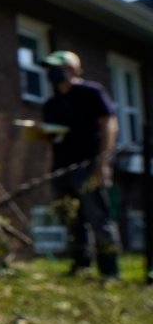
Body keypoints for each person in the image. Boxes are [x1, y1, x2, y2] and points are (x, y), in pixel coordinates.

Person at [38, 50, 120, 279]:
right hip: (62, 167)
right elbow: (53, 137)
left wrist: (103, 163)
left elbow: (109, 125)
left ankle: (109, 270)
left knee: (98, 217)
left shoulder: (91, 93)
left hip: (88, 165)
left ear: (72, 69)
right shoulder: (52, 103)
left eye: (56, 67)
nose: (51, 73)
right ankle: (81, 265)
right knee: (72, 219)